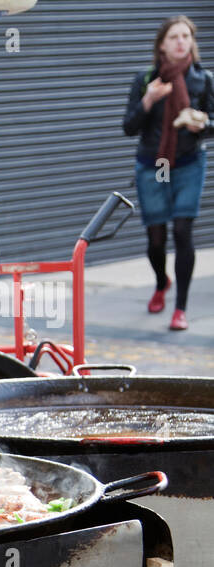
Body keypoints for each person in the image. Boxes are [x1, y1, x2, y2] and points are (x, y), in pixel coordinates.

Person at [124, 15, 214, 331]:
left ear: (192, 42)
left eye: (186, 36)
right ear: (162, 44)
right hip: (157, 166)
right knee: (156, 236)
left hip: (189, 163)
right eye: (174, 36)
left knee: (183, 231)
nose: (180, 41)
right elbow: (129, 127)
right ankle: (162, 281)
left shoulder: (203, 80)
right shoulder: (147, 78)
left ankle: (180, 309)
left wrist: (202, 125)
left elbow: (212, 122)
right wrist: (149, 99)